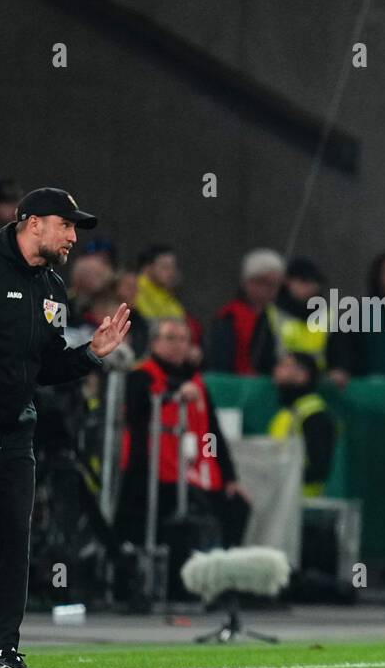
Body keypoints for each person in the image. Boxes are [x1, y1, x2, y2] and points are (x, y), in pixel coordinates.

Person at [0, 188, 131, 668]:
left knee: (16, 537)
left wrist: (91, 353)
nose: (73, 237)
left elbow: (46, 365)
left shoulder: (52, 288)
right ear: (34, 223)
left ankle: (3, 653)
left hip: (16, 431)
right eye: (67, 225)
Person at [116, 317, 251, 592]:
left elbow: (213, 432)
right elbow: (136, 416)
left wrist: (229, 476)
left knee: (236, 508)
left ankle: (220, 585)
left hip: (196, 474)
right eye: (170, 338)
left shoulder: (198, 383)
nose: (179, 345)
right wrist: (175, 394)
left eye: (184, 339)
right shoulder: (140, 376)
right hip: (153, 475)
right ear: (154, 343)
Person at [268, 352, 337, 497]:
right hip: (282, 502)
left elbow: (319, 468)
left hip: (303, 504)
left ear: (302, 375)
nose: (277, 370)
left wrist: (282, 478)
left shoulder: (315, 415)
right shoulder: (285, 415)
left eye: (285, 366)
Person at [207, 248, 284, 375]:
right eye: (262, 282)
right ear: (247, 282)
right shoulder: (229, 315)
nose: (269, 289)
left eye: (274, 284)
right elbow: (221, 358)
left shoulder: (277, 315)